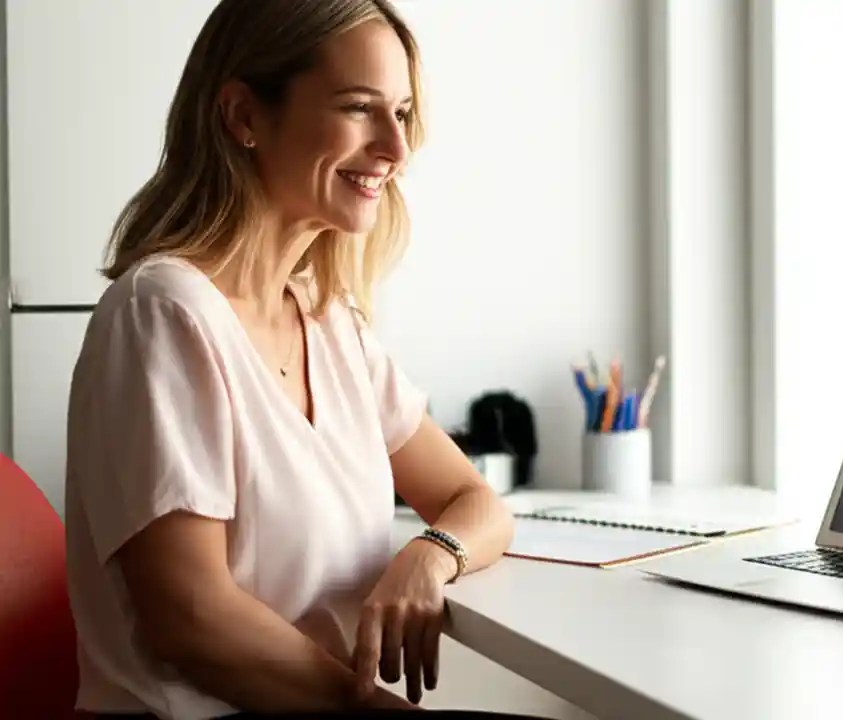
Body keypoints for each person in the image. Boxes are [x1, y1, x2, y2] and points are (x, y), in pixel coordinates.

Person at [62, 1, 538, 717]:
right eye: (359, 108)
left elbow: (476, 503)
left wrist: (428, 555)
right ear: (243, 117)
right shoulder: (161, 312)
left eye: (401, 114)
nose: (396, 149)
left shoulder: (331, 323)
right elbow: (192, 620)